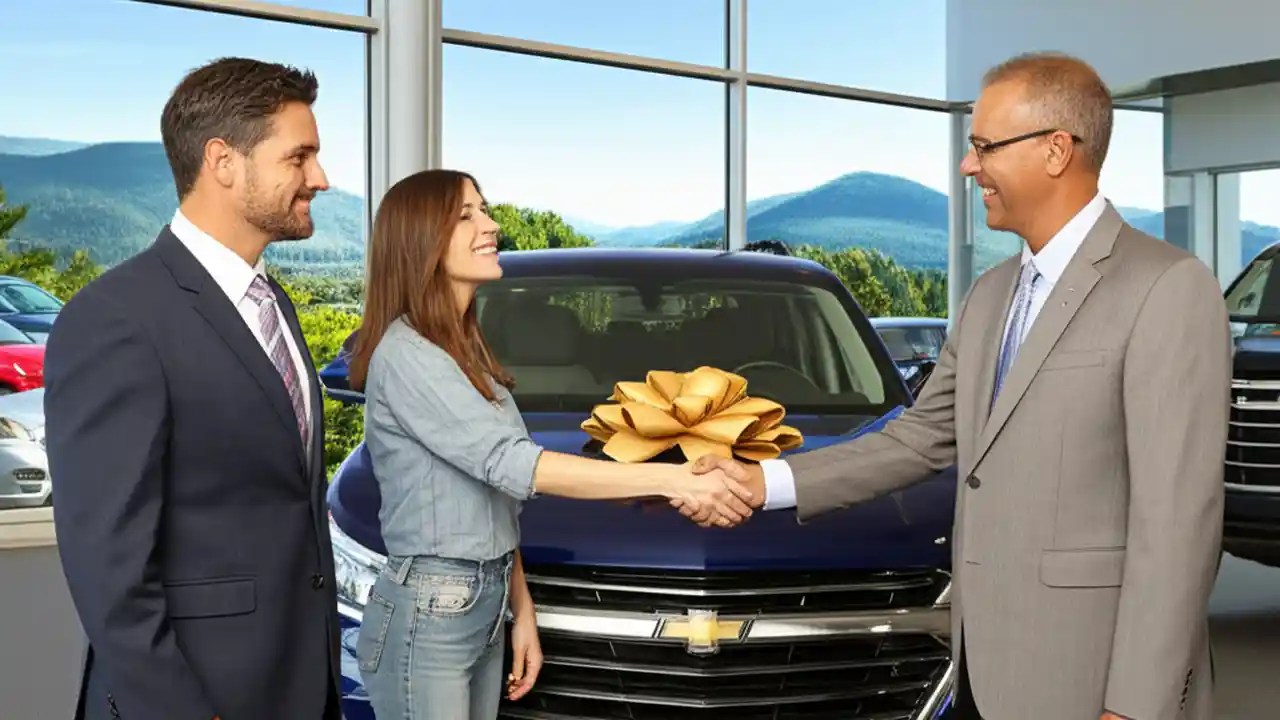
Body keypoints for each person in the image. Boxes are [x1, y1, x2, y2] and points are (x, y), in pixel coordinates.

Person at [687, 52, 1228, 720]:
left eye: (984, 147)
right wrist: (761, 482)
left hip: (1093, 682)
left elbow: (1179, 528)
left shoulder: (1168, 288)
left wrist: (1135, 706)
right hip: (982, 669)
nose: (969, 167)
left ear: (1057, 150)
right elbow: (919, 438)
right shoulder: (989, 295)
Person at [345, 169, 754, 720]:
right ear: (420, 240)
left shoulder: (467, 357)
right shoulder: (409, 355)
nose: (490, 225)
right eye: (466, 215)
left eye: (483, 210)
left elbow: (493, 498)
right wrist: (673, 477)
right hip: (432, 613)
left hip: (475, 606)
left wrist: (522, 611)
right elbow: (514, 465)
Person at [44, 57, 341, 720]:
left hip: (298, 687)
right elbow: (109, 576)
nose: (320, 178)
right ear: (223, 161)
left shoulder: (275, 306)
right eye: (300, 157)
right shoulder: (114, 319)